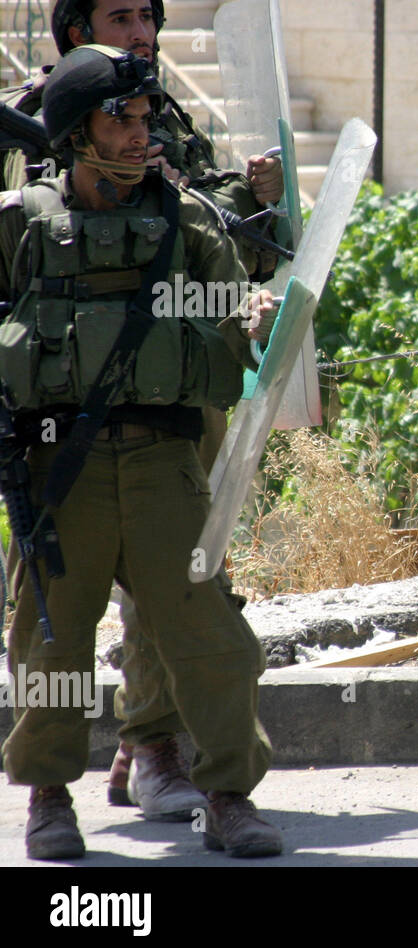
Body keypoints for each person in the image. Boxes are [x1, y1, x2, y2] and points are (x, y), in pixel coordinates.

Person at [1, 0, 286, 821]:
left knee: (208, 636)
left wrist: (256, 322)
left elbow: (232, 304)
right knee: (50, 640)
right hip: (62, 466)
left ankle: (229, 794)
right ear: (75, 133)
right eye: (118, 118)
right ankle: (50, 796)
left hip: (165, 456)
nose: (138, 131)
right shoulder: (21, 226)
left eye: (142, 115)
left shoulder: (184, 217)